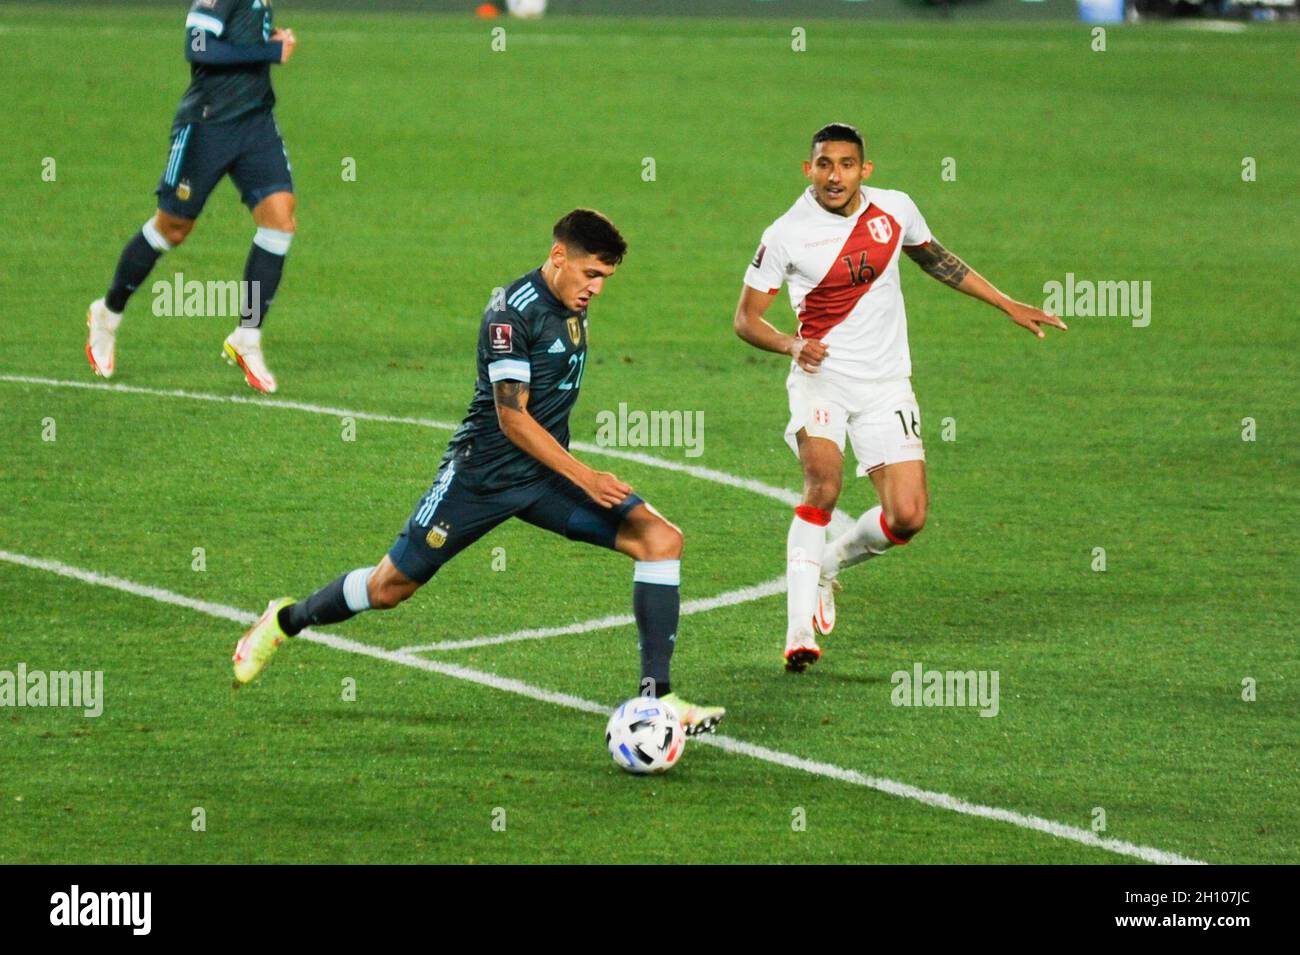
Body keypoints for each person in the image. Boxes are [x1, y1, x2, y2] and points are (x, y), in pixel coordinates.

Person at [233, 210, 726, 734]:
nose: (597, 289)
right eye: (591, 274)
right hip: (481, 476)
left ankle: (658, 697)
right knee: (388, 590)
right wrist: (586, 477)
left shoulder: (569, 301)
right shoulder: (509, 315)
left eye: (605, 278)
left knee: (660, 540)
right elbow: (511, 417)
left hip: (543, 475)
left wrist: (569, 474)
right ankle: (285, 621)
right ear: (558, 256)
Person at [733, 123, 1066, 672]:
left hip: (887, 383)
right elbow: (746, 320)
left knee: (907, 516)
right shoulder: (787, 233)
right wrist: (792, 345)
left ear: (865, 170)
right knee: (823, 483)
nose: (833, 175)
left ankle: (827, 564)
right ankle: (797, 632)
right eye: (823, 164)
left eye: (845, 164)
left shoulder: (895, 210)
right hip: (823, 378)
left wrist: (1005, 302)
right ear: (808, 169)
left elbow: (935, 258)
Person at [86, 0, 299, 393]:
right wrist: (269, 51)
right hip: (207, 123)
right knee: (173, 228)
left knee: (280, 220)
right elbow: (198, 46)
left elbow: (237, 36)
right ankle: (107, 313)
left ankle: (246, 336)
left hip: (255, 123)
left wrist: (267, 37)